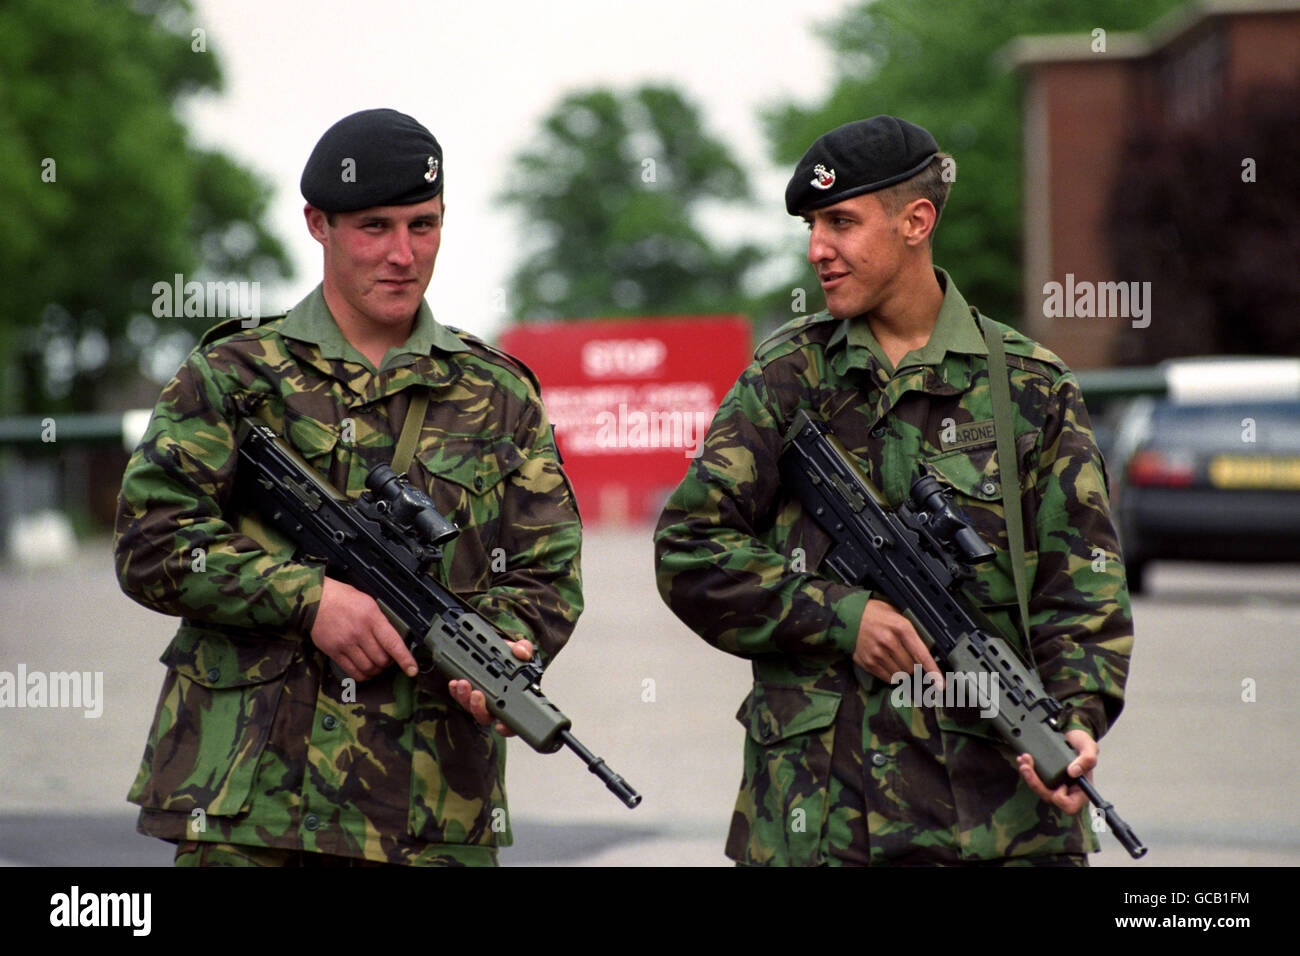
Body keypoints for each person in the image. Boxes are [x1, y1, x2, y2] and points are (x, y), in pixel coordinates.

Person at [653, 116, 1133, 866]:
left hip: (997, 828)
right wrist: (843, 617)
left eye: (841, 222)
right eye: (814, 225)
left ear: (917, 221)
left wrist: (1075, 717)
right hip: (821, 824)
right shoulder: (785, 378)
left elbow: (1084, 590)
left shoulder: (1030, 387)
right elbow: (689, 550)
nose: (817, 249)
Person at [115, 108, 583, 867]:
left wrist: (505, 643)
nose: (403, 254)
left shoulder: (499, 394)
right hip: (251, 808)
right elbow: (151, 543)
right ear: (318, 224)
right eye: (375, 227)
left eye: (423, 226)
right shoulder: (234, 375)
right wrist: (309, 599)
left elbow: (547, 574)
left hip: (429, 816)